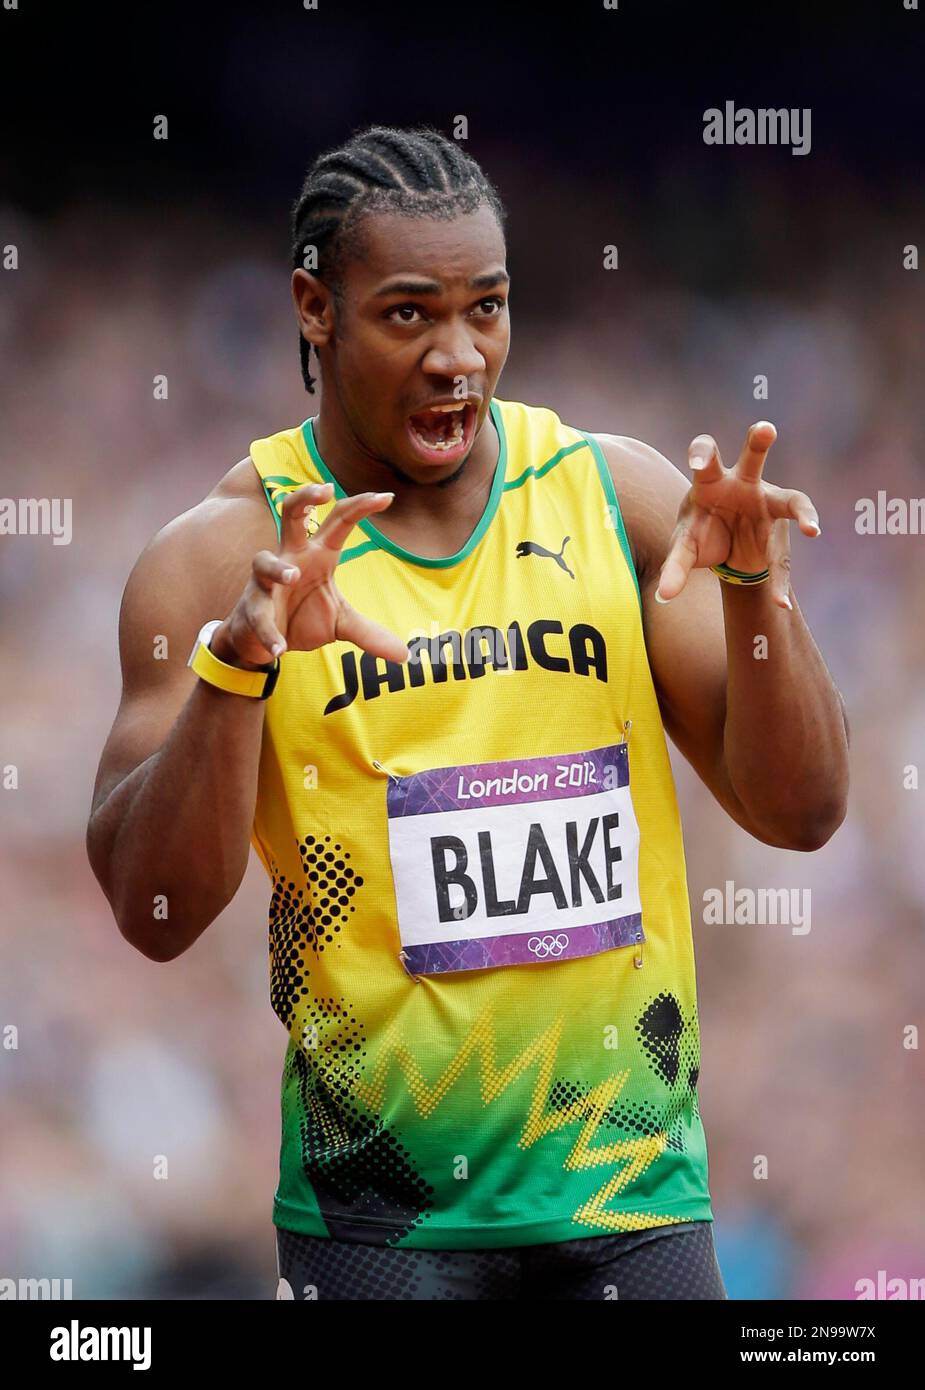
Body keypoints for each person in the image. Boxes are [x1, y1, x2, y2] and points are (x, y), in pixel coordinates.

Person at [86, 124, 850, 1301]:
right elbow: (153, 910)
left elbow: (801, 814)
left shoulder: (620, 499)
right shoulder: (216, 559)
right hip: (379, 1226)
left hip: (632, 1199)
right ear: (313, 306)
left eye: (485, 308)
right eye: (408, 314)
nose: (460, 356)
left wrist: (757, 594)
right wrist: (239, 662)